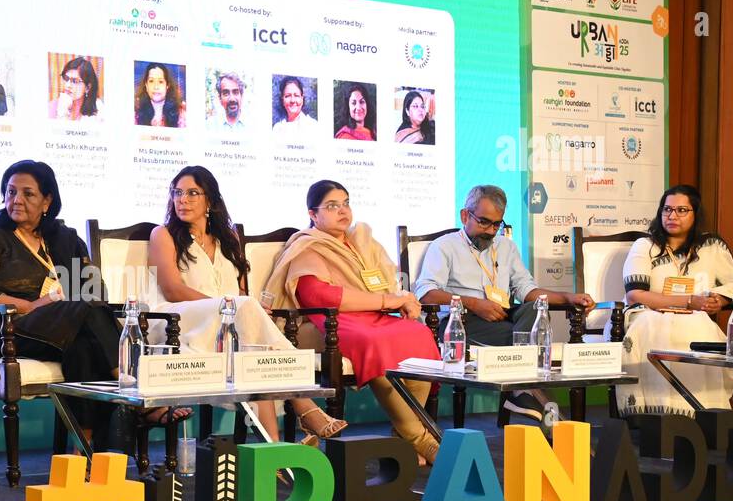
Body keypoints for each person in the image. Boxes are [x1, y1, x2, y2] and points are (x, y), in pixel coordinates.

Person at [0, 160, 187, 444]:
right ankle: (134, 389)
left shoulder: (64, 238)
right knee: (87, 312)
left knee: (83, 347)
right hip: (9, 329)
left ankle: (84, 449)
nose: (16, 200)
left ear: (47, 201)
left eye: (27, 193)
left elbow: (95, 291)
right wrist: (31, 306)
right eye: (10, 192)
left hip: (64, 327)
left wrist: (66, 302)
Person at [148, 165, 347, 445]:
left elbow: (242, 292)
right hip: (179, 322)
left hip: (228, 327)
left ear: (210, 201)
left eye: (193, 193)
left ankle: (273, 449)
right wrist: (232, 306)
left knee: (252, 359)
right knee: (245, 319)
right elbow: (172, 288)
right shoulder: (163, 234)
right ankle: (305, 407)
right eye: (177, 193)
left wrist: (244, 310)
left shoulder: (228, 239)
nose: (183, 199)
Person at [263, 180, 441, 463]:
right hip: (328, 322)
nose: (343, 211)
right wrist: (389, 302)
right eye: (332, 206)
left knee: (418, 334)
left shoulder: (361, 243)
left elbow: (384, 287)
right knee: (376, 342)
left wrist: (400, 299)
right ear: (313, 214)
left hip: (372, 317)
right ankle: (423, 440)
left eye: (345, 203)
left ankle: (405, 432)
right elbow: (319, 295)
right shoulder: (307, 246)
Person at [413, 184, 594, 420]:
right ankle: (544, 410)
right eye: (484, 222)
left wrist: (568, 297)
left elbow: (527, 290)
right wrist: (474, 304)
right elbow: (426, 293)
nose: (490, 231)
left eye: (497, 224)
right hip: (462, 323)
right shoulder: (444, 246)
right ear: (465, 215)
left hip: (502, 316)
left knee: (535, 309)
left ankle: (520, 392)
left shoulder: (506, 246)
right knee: (523, 340)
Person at [617, 185, 733, 416]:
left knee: (699, 325)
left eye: (681, 210)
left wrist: (719, 300)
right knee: (664, 325)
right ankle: (661, 411)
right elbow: (635, 295)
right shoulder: (645, 246)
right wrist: (689, 301)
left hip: (696, 318)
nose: (672, 216)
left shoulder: (712, 247)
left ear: (695, 214)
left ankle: (700, 410)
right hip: (649, 316)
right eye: (667, 210)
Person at [48, 56, 103, 121]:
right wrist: (63, 112)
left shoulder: (99, 110)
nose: (67, 85)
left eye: (75, 81)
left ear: (87, 87)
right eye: (66, 78)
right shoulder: (53, 106)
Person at [135, 63, 186, 128]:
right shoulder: (136, 110)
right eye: (151, 81)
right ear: (146, 85)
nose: (156, 87)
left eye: (160, 82)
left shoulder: (181, 111)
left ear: (167, 86)